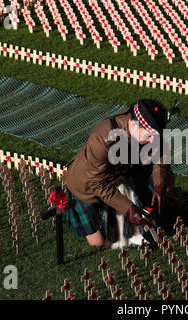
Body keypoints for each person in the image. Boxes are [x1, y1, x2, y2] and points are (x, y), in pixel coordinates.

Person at [62, 99, 175, 247]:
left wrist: (159, 184)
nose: (153, 140)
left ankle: (142, 208)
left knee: (167, 179)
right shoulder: (102, 139)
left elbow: (160, 150)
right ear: (133, 124)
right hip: (88, 183)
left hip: (124, 168)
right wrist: (128, 208)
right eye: (149, 135)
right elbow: (98, 183)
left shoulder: (145, 132)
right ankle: (73, 206)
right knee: (98, 242)